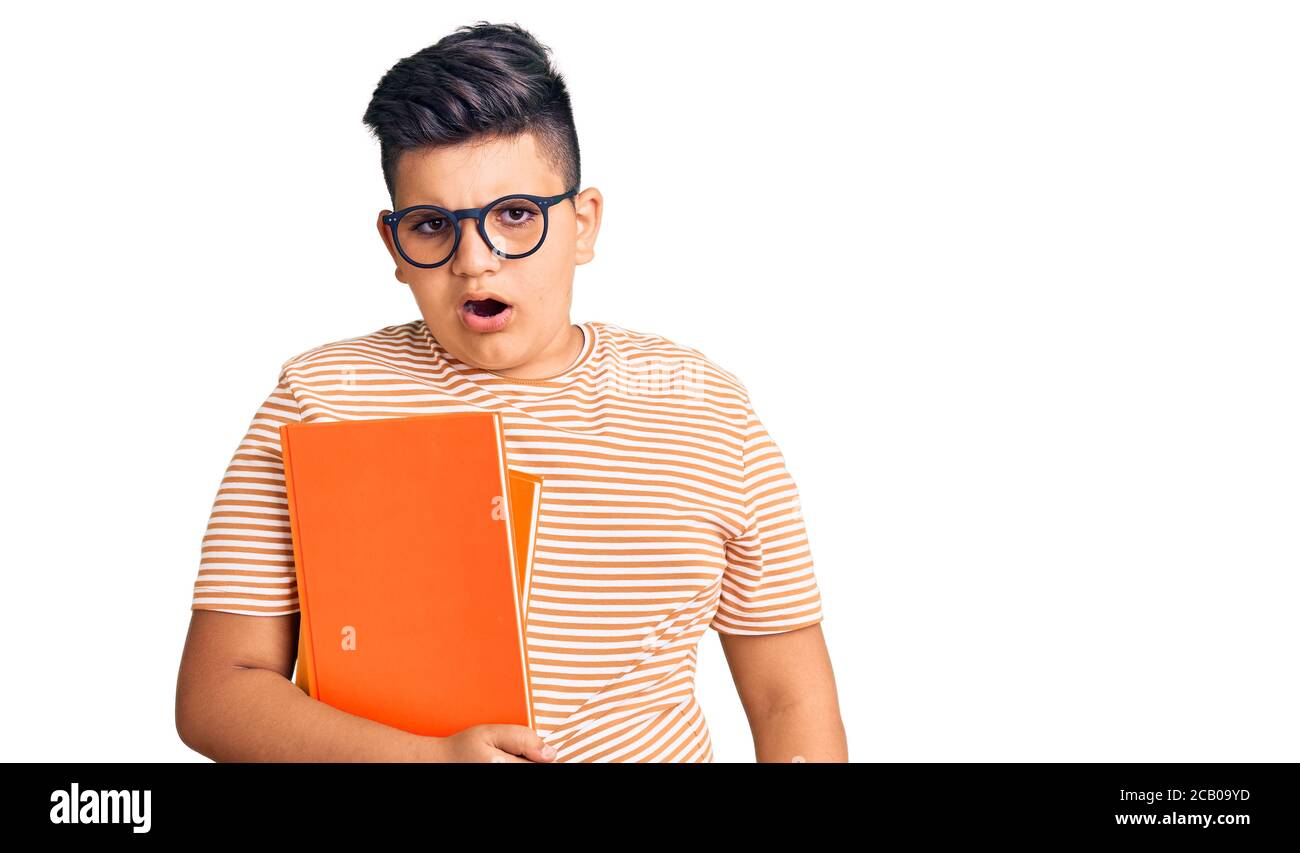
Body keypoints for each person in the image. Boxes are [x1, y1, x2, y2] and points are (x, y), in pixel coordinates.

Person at [175, 20, 846, 763]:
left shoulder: (706, 407)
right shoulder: (321, 398)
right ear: (394, 245)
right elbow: (217, 692)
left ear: (582, 223)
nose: (475, 262)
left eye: (516, 215)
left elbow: (792, 697)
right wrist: (429, 761)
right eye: (432, 225)